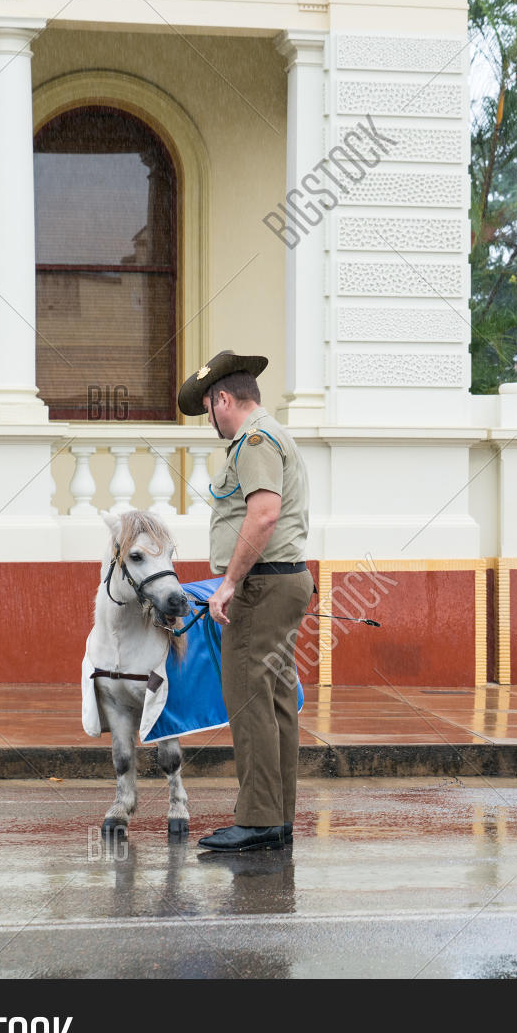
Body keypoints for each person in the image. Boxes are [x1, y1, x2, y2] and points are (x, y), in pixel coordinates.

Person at [178, 351, 314, 852]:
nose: (209, 421)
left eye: (208, 410)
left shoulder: (253, 441)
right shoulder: (274, 433)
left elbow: (263, 516)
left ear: (222, 399)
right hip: (283, 581)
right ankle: (275, 818)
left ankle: (257, 820)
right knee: (276, 701)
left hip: (261, 586)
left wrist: (229, 582)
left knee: (249, 697)